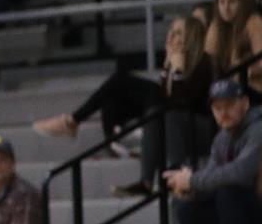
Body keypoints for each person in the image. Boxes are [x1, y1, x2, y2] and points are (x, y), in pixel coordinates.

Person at [35, 16, 213, 195]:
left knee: (131, 88)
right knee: (113, 97)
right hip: (170, 122)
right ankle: (141, 175)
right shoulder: (173, 63)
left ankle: (74, 121)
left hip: (196, 128)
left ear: (191, 37)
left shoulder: (204, 62)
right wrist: (173, 71)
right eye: (171, 32)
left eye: (178, 33)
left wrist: (178, 72)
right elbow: (169, 99)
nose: (171, 37)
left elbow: (184, 103)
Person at [166, 78, 262, 224]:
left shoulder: (258, 128)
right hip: (243, 213)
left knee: (228, 189)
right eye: (217, 107)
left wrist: (192, 180)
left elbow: (242, 173)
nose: (223, 112)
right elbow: (210, 177)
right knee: (186, 209)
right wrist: (189, 189)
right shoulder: (221, 139)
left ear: (245, 104)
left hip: (257, 208)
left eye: (229, 105)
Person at [204, 0, 262, 99]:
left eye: (232, 2)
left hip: (254, 89)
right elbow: (208, 63)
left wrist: (248, 71)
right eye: (222, 2)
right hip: (227, 89)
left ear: (242, 3)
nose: (226, 8)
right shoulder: (216, 26)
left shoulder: (254, 22)